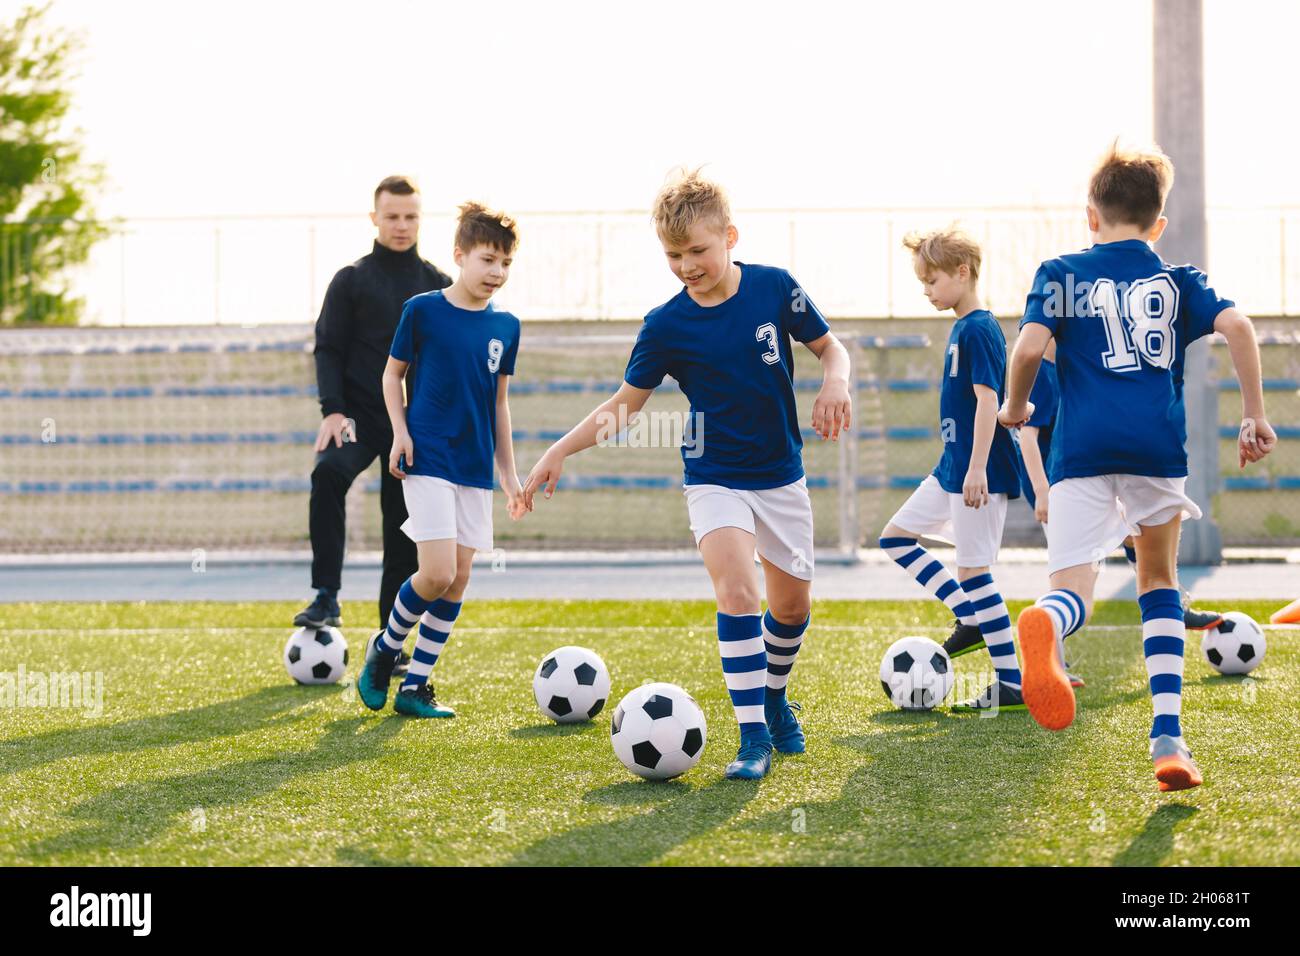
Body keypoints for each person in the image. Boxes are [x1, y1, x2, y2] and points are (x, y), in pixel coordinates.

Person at [523, 169, 851, 780]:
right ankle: (753, 738)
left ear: (729, 236)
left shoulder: (776, 289)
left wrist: (835, 381)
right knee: (737, 592)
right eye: (674, 255)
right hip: (713, 475)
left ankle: (774, 696)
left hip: (781, 475)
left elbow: (833, 348)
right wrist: (560, 449)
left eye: (698, 250)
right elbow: (624, 406)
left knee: (792, 609)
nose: (686, 265)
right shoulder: (666, 324)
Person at [1000, 141, 1277, 791]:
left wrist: (1016, 408)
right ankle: (1168, 740)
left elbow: (1028, 349)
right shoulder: (1178, 280)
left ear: (1090, 216)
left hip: (1081, 452)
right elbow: (1239, 327)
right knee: (1158, 582)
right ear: (1158, 224)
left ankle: (1049, 619)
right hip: (1155, 451)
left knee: (1074, 589)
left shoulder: (1062, 272)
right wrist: (1253, 413)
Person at [356, 203, 527, 718]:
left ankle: (417, 687)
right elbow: (391, 376)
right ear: (460, 255)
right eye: (487, 259)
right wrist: (399, 433)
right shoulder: (423, 310)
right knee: (433, 573)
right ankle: (385, 649)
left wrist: (510, 476)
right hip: (427, 457)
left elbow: (498, 404)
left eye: (505, 263)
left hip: (474, 469)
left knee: (457, 580)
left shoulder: (508, 327)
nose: (496, 272)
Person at [299, 176, 453, 681]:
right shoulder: (351, 280)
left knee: (401, 530)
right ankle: (326, 596)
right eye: (392, 216)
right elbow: (328, 348)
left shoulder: (437, 285)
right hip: (359, 420)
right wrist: (332, 410)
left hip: (413, 428)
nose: (402, 225)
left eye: (410, 216)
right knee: (327, 475)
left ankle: (391, 640)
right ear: (375, 219)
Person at [878, 228, 1031, 712]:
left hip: (975, 473)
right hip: (950, 468)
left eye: (932, 280)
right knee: (895, 538)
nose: (927, 290)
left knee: (975, 572)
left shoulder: (980, 328)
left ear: (962, 273)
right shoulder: (961, 327)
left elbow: (990, 402)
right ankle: (969, 617)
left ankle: (1011, 682)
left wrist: (977, 468)